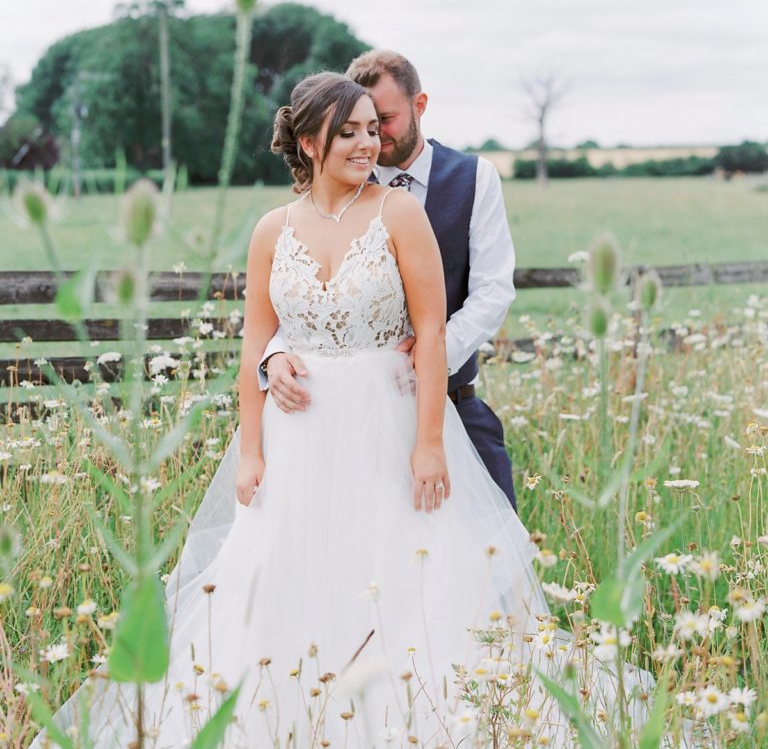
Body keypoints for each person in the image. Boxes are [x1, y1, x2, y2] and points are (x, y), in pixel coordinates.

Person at [32, 73, 644, 749]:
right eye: (348, 130)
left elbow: (433, 330)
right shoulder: (272, 228)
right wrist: (253, 448)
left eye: (371, 129)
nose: (367, 142)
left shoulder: (398, 213)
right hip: (296, 436)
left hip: (388, 420)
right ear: (306, 140)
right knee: (275, 576)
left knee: (397, 572)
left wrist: (430, 444)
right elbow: (255, 345)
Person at [263, 50, 518, 508]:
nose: (371, 140)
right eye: (356, 125)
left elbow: (494, 289)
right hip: (338, 423)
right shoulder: (337, 182)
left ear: (419, 106)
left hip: (451, 400)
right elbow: (308, 290)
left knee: (489, 557)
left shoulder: (474, 178)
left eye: (383, 121)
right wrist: (276, 353)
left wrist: (430, 353)